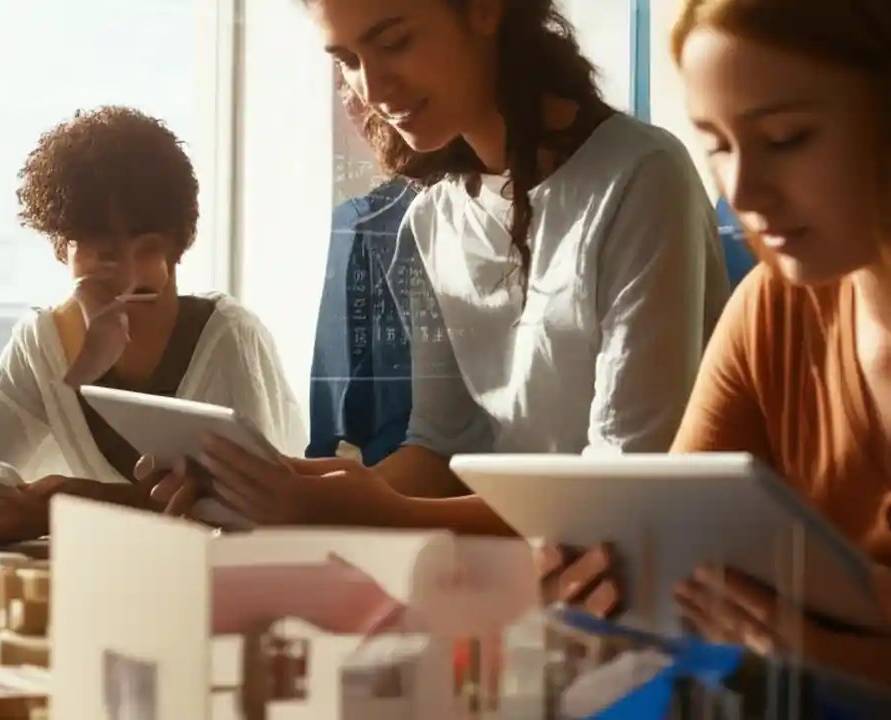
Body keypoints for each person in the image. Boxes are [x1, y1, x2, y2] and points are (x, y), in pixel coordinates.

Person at [147, 0, 727, 543]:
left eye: (394, 42)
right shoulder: (432, 219)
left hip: (643, 589)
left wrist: (366, 512)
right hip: (514, 583)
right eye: (348, 61)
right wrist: (266, 486)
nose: (371, 89)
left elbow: (625, 489)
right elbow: (439, 450)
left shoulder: (642, 180)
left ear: (484, 8)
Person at [0, 106, 307, 544]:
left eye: (144, 248)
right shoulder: (43, 346)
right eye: (101, 252)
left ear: (179, 242)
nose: (126, 277)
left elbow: (257, 514)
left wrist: (68, 505)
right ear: (62, 248)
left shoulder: (228, 339)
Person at [665, 0, 891, 688]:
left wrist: (841, 665)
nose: (741, 192)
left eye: (787, 138)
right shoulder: (773, 308)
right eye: (718, 145)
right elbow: (679, 541)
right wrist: (616, 572)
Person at [308, 177, 443, 466]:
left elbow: (335, 419)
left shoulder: (368, 219)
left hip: (401, 477)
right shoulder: (368, 219)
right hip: (410, 477)